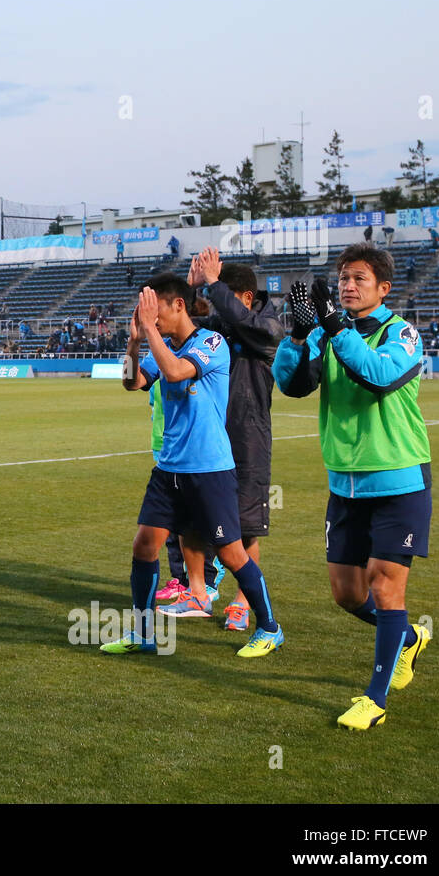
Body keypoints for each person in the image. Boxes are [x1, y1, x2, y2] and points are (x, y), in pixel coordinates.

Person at [274, 244, 433, 730]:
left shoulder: (402, 333)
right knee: (346, 594)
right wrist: (300, 337)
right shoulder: (327, 332)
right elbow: (293, 384)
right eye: (343, 277)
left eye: (359, 278)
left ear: (383, 288)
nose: (346, 285)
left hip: (399, 478)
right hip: (344, 483)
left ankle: (375, 699)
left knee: (386, 586)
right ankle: (408, 638)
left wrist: (335, 328)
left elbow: (377, 377)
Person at [108, 273, 284, 657]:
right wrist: (135, 340)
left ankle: (270, 627)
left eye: (157, 315)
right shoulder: (164, 344)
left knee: (231, 554)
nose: (153, 322)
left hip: (210, 471)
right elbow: (130, 382)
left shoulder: (212, 342)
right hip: (169, 470)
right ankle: (143, 634)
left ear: (178, 306)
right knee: (144, 546)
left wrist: (150, 332)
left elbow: (174, 371)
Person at [176, 247, 285, 631]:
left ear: (247, 299)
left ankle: (241, 603)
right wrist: (191, 292)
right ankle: (197, 591)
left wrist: (212, 284)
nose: (222, 308)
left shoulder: (269, 327)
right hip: (208, 436)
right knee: (190, 516)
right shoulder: (223, 323)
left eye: (227, 297)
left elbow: (244, 322)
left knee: (246, 525)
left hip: (248, 437)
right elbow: (184, 330)